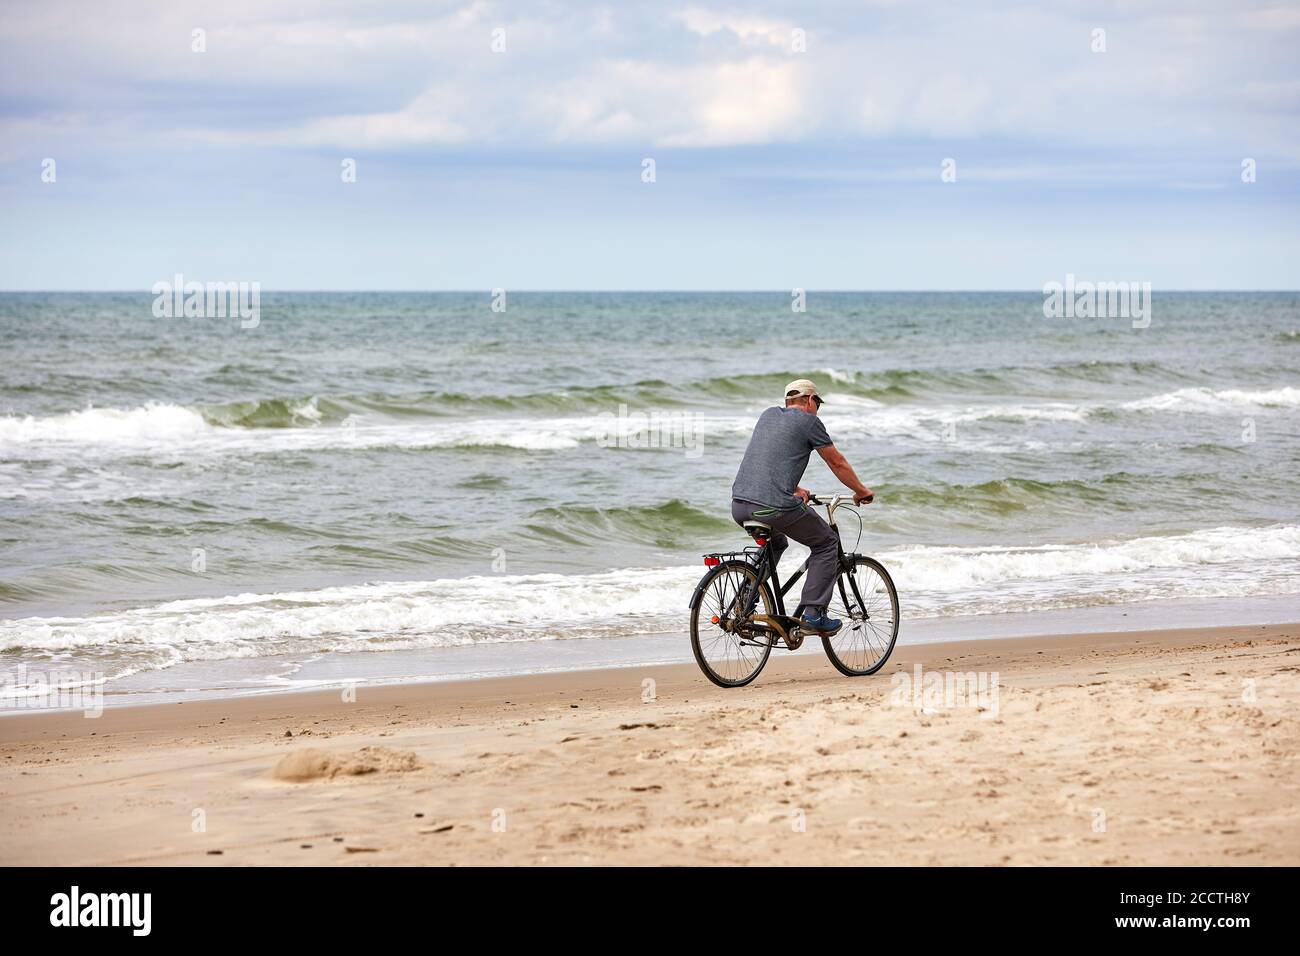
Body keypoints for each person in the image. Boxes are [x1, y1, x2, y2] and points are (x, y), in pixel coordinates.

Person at [730, 378, 874, 632]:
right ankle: (813, 613)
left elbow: (766, 460)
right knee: (827, 542)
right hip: (772, 506)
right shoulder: (810, 422)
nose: (818, 409)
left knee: (777, 543)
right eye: (818, 403)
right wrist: (860, 491)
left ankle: (745, 603)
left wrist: (794, 489)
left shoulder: (768, 415)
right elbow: (837, 463)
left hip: (740, 503)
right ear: (810, 400)